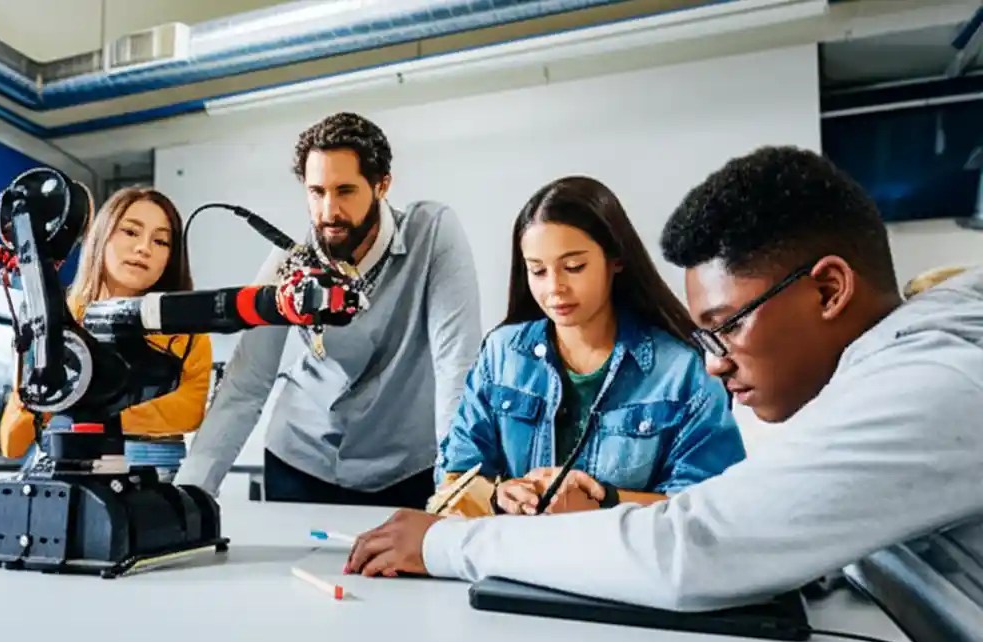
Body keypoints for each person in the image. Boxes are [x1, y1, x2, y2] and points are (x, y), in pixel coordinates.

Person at [343, 146, 983, 612]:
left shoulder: (938, 383)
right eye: (537, 270)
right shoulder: (850, 386)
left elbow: (697, 545)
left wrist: (451, 545)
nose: (714, 361)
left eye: (727, 326)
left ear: (828, 289)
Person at [173, 111, 482, 507]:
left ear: (382, 185)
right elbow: (245, 383)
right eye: (316, 192)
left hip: (405, 469)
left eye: (345, 191)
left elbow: (456, 364)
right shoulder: (291, 256)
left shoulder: (431, 233)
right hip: (301, 461)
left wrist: (457, 483)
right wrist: (190, 498)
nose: (329, 212)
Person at [438, 177, 744, 516]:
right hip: (513, 563)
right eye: (537, 271)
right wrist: (497, 495)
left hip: (626, 565)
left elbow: (707, 506)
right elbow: (454, 476)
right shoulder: (501, 354)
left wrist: (605, 499)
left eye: (573, 267)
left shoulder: (682, 370)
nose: (554, 288)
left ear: (616, 260)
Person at [0, 187, 212, 476]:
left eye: (161, 241)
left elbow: (189, 410)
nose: (144, 248)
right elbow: (12, 441)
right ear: (102, 235)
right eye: (131, 232)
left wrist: (77, 408)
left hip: (153, 474)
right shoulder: (54, 319)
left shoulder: (186, 331)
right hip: (56, 470)